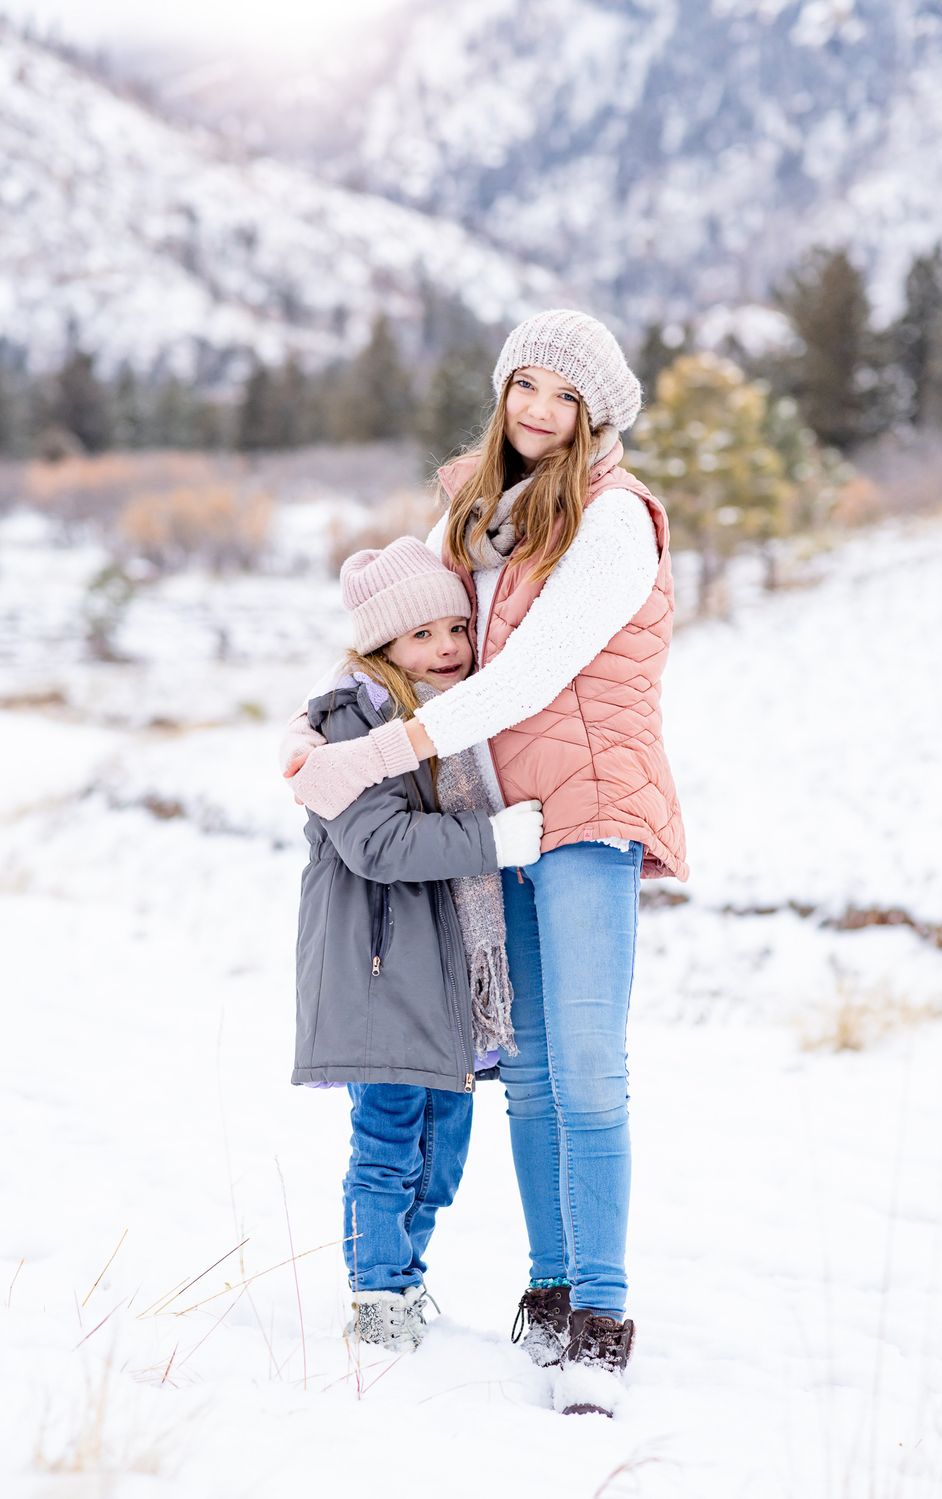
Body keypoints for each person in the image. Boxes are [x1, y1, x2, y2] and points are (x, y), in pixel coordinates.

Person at [282, 309, 688, 1417]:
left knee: (591, 1069)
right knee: (536, 1070)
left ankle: (599, 1314)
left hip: (586, 809)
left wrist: (379, 750)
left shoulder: (614, 521)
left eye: (564, 396)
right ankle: (549, 1290)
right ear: (503, 392)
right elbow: (401, 618)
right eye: (525, 387)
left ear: (596, 411)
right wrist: (333, 729)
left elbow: (525, 676)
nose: (540, 412)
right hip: (499, 818)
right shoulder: (480, 509)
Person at [291, 536, 542, 1355]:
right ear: (382, 646)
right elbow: (380, 844)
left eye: (453, 630)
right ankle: (379, 1293)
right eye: (421, 636)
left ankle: (406, 1273)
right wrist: (492, 840)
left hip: (449, 972)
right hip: (383, 965)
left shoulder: (462, 716)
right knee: (389, 1141)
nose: (444, 649)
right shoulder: (354, 718)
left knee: (444, 1154)